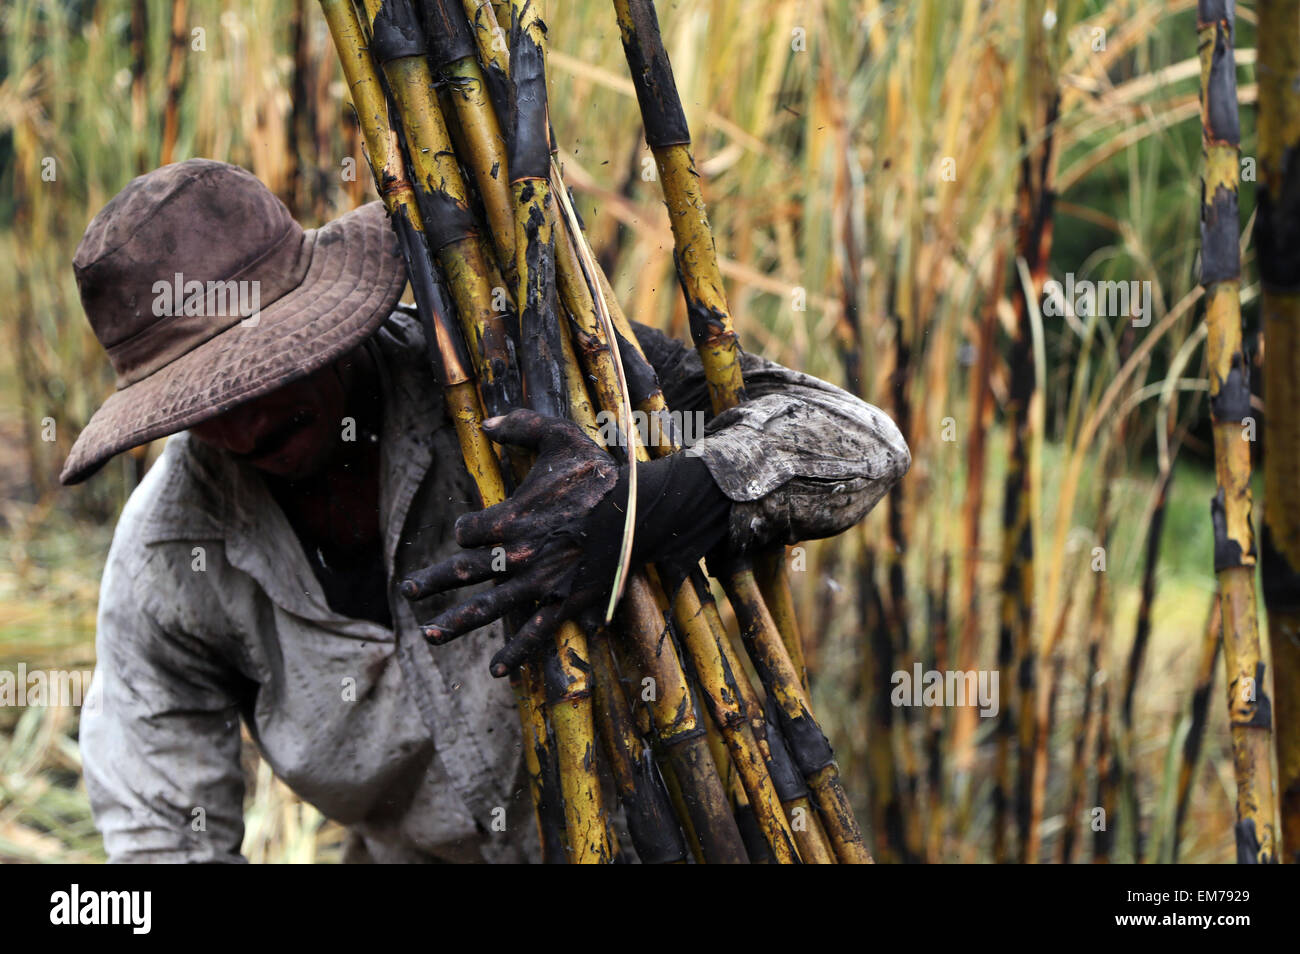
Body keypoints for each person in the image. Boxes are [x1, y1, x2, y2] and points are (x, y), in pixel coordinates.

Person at [62, 158, 910, 862]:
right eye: (203, 404)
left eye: (264, 374)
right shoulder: (172, 559)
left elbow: (860, 442)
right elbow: (160, 834)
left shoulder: (525, 378)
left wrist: (638, 513)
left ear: (323, 320)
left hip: (682, 834)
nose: (246, 423)